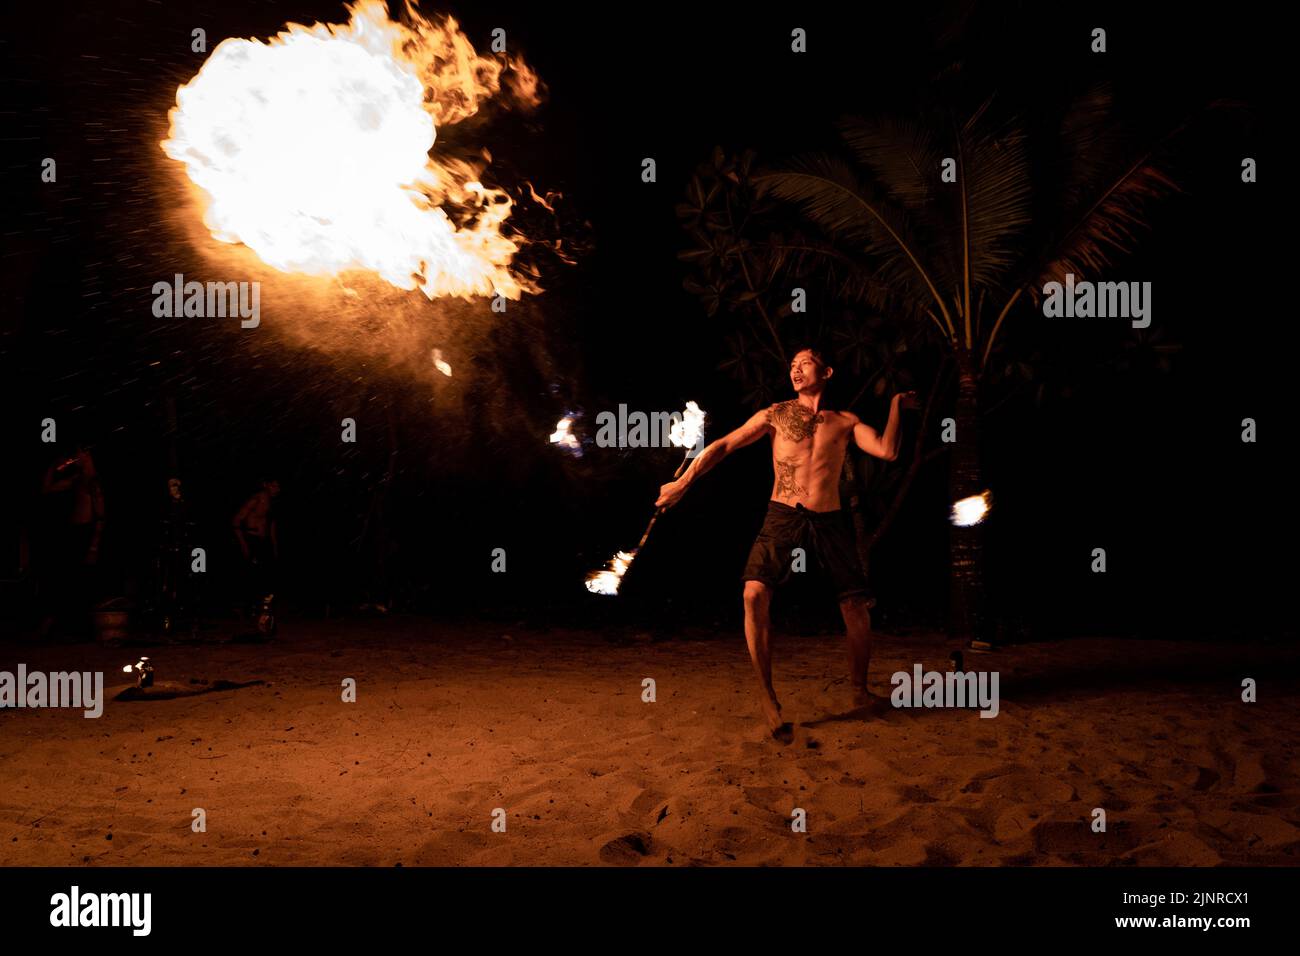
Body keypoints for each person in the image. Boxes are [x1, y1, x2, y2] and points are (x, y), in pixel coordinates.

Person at [655, 347, 917, 741]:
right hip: (783, 513)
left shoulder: (844, 421)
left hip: (828, 518)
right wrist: (683, 482)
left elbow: (888, 450)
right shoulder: (775, 414)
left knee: (855, 605)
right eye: (791, 365)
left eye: (804, 363)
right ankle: (767, 699)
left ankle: (859, 688)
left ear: (826, 371)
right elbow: (724, 445)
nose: (795, 369)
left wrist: (896, 404)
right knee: (752, 594)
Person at [37, 445, 106, 639]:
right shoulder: (77, 480)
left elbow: (101, 515)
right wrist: (53, 467)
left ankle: (79, 629)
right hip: (74, 534)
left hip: (86, 533)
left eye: (80, 453)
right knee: (67, 579)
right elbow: (47, 489)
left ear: (87, 455)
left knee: (79, 581)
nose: (76, 456)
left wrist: (94, 545)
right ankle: (64, 626)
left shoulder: (93, 482)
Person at [233, 477, 280, 632]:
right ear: (266, 485)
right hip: (251, 539)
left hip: (263, 543)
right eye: (273, 486)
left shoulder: (272, 502)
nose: (276, 489)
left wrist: (273, 548)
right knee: (252, 577)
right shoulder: (256, 499)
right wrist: (244, 544)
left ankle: (262, 613)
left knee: (267, 579)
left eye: (278, 487)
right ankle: (245, 610)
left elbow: (270, 525)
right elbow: (236, 521)